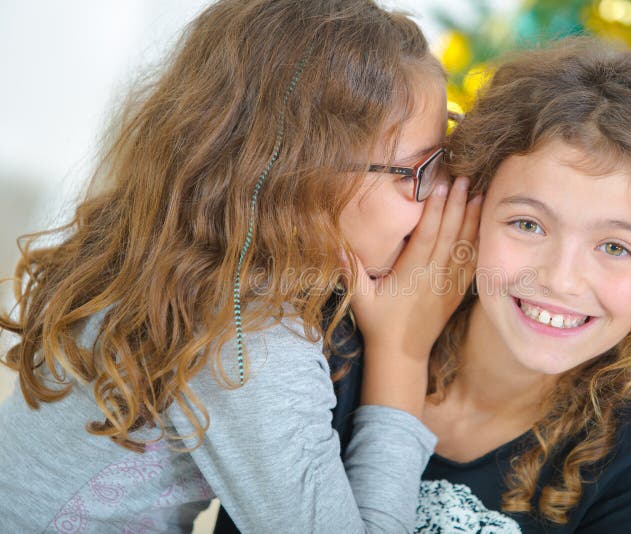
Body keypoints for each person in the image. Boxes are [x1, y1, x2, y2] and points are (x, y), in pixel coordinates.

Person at [0, 0, 481, 531]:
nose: (440, 198)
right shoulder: (246, 337)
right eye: (418, 170)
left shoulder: (178, 252)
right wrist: (403, 353)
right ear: (304, 180)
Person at [410, 36, 631, 533]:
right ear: (471, 208)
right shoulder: (350, 343)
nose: (561, 279)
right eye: (528, 225)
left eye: (615, 247)